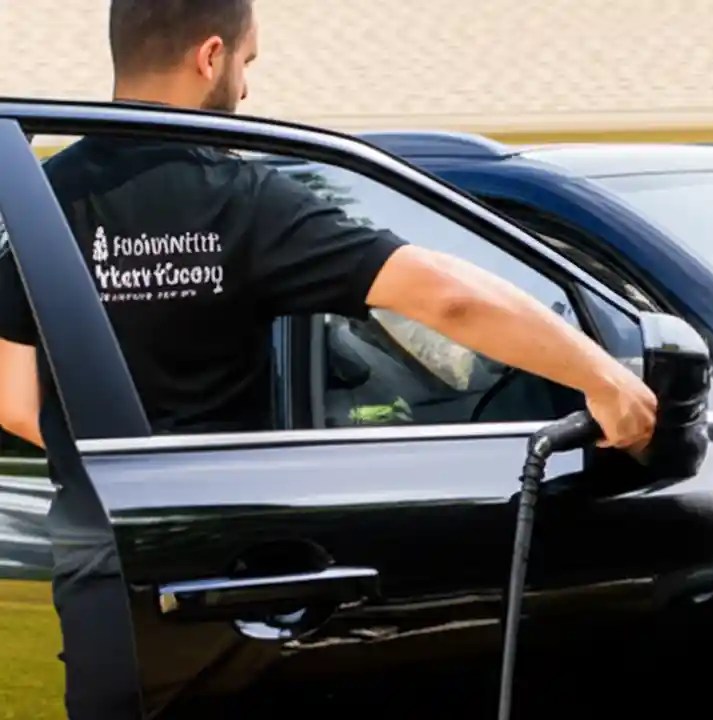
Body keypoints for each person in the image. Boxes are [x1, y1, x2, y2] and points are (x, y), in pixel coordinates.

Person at [0, 1, 656, 716]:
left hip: (102, 576)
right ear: (210, 55)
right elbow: (444, 297)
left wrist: (124, 453)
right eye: (247, 64)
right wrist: (606, 377)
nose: (245, 89)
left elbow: (11, 396)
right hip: (235, 584)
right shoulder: (246, 201)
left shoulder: (48, 201)